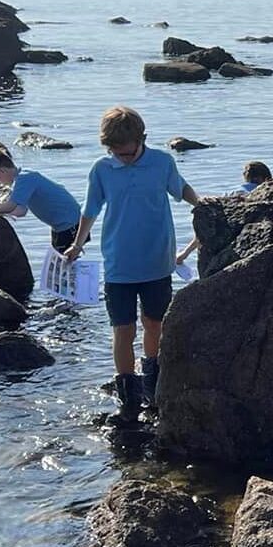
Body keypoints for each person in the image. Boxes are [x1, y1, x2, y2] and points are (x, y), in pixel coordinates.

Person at [65, 107, 200, 417]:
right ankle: (128, 394)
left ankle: (152, 382)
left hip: (157, 260)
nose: (122, 158)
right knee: (122, 330)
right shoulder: (101, 169)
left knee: (155, 324)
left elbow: (181, 189)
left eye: (127, 153)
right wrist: (76, 245)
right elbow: (90, 210)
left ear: (142, 140)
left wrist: (202, 204)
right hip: (118, 263)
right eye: (116, 153)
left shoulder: (162, 162)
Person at [0, 148, 83, 253]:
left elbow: (11, 205)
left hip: (70, 224)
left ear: (2, 171)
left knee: (66, 261)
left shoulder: (24, 178)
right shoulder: (22, 178)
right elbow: (20, 211)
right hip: (61, 225)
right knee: (61, 261)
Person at [175, 161, 272, 266]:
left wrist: (185, 253)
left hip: (223, 243)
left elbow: (208, 225)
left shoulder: (229, 193)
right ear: (262, 178)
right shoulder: (265, 193)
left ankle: (184, 254)